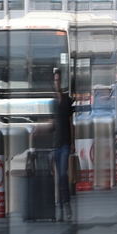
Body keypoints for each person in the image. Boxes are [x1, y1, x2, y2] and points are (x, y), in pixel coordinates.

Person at [52, 69, 74, 222]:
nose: (57, 83)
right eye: (55, 81)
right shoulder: (53, 102)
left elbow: (70, 123)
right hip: (56, 144)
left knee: (62, 174)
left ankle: (66, 204)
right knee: (58, 178)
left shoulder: (67, 100)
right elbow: (52, 124)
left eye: (59, 80)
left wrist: (73, 142)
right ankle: (61, 206)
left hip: (65, 143)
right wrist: (38, 131)